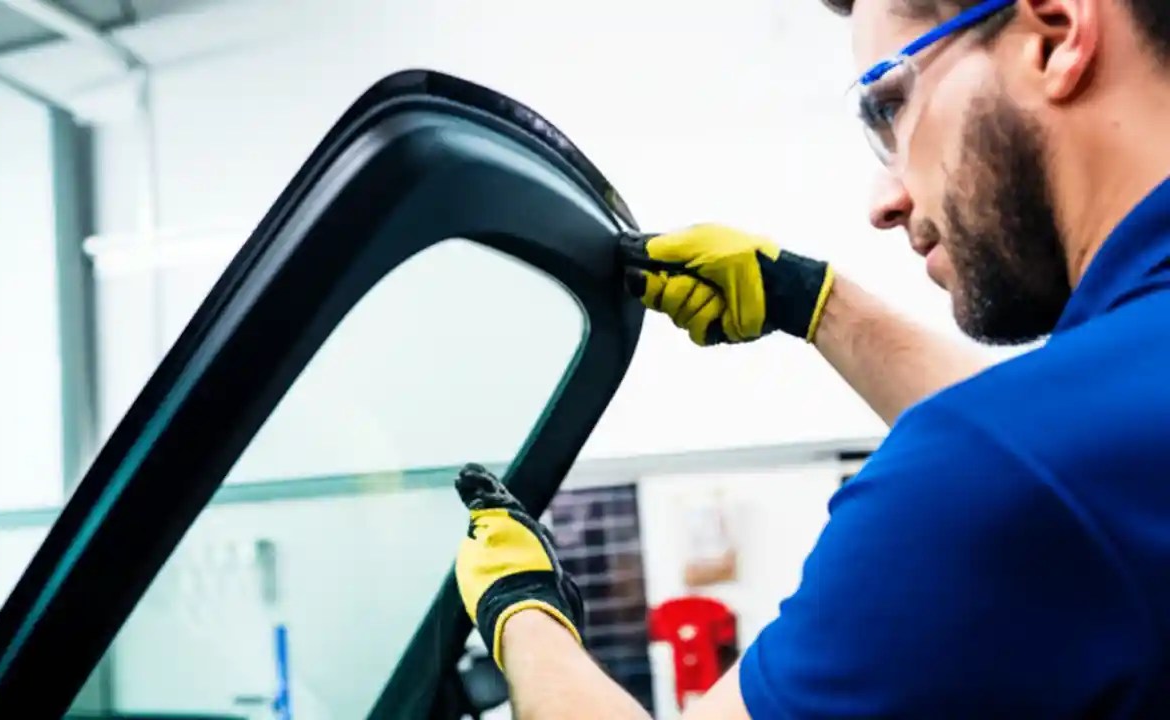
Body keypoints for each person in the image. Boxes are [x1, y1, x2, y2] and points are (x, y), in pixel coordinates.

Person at [451, 0, 1170, 716]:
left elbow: (1026, 467)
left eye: (889, 106)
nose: (884, 201)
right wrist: (812, 302)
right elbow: (1063, 458)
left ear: (1054, 35)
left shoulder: (999, 477)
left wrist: (523, 614)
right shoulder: (1096, 442)